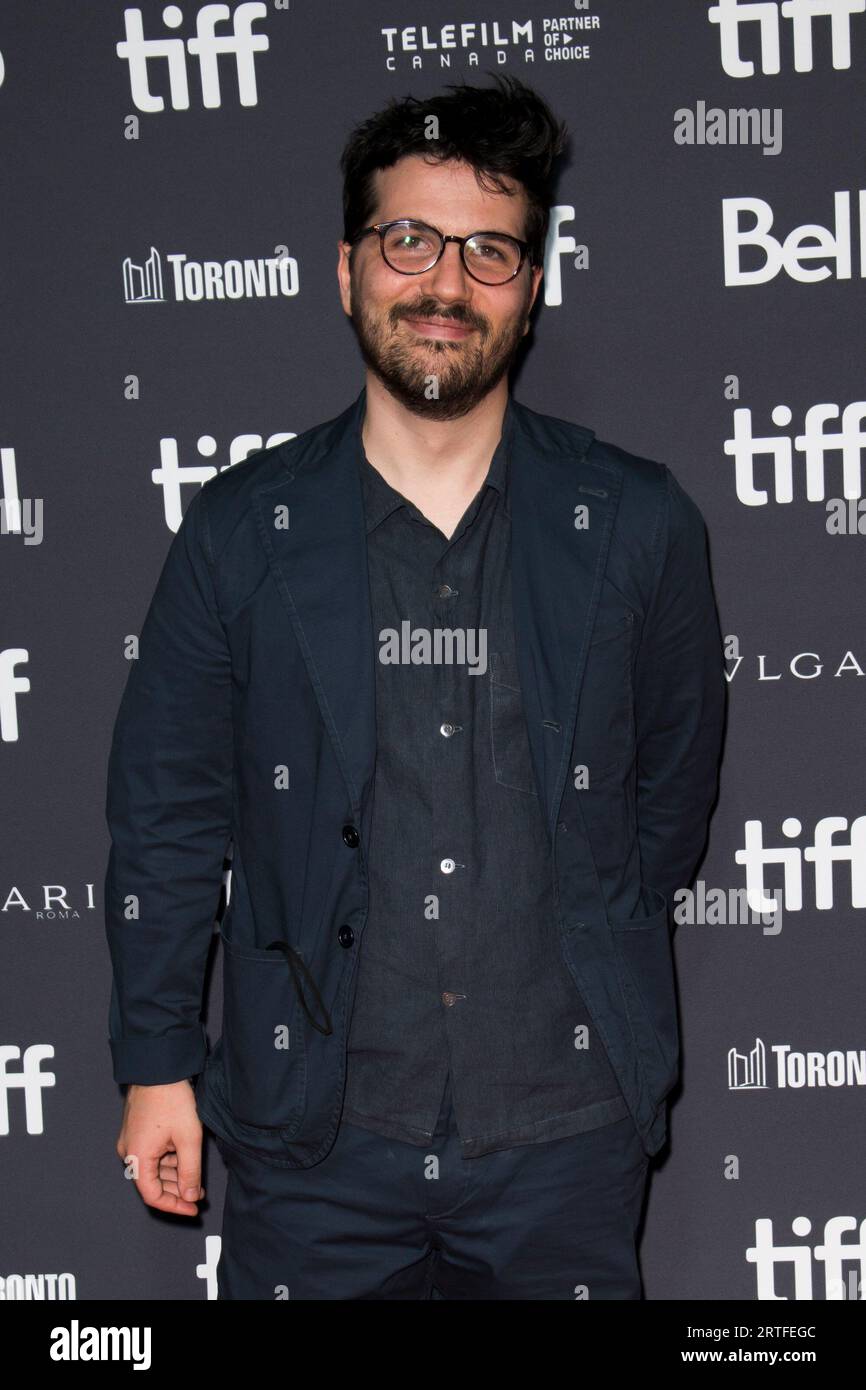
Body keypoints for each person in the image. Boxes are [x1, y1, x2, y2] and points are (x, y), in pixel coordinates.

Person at [105, 74, 726, 1300]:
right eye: (409, 240)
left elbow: (666, 798)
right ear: (346, 270)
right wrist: (156, 1061)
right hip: (313, 1136)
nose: (445, 282)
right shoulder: (239, 533)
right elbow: (169, 814)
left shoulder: (638, 524)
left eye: (488, 250)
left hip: (564, 1129)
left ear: (532, 289)